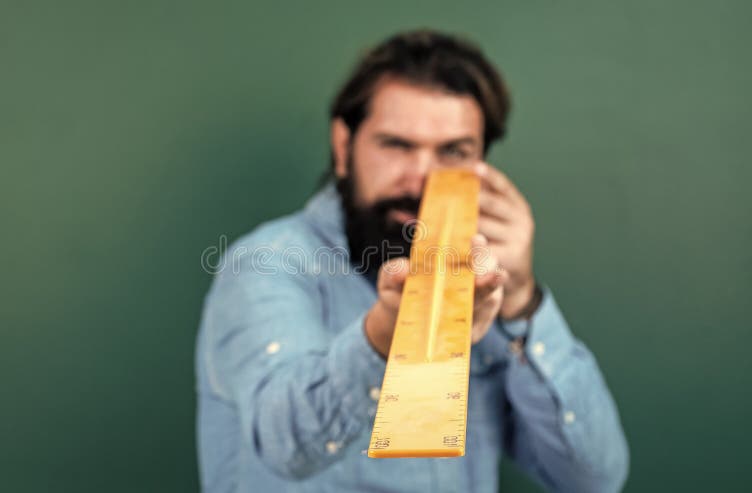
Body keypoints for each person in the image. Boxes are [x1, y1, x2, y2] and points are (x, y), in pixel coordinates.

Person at [195, 29, 629, 492]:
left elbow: (593, 478)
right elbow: (286, 445)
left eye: (453, 152)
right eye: (396, 145)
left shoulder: (480, 285)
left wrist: (521, 304)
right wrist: (385, 335)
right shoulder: (266, 265)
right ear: (344, 147)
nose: (422, 178)